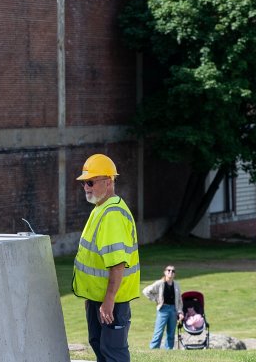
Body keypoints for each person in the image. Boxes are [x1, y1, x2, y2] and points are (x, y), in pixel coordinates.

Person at [72, 153, 141, 362]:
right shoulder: (100, 208)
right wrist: (90, 297)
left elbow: (117, 264)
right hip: (97, 299)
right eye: (85, 182)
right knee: (99, 345)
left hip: (111, 302)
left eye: (91, 182)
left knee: (113, 352)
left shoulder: (112, 215)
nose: (86, 187)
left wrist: (109, 300)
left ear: (108, 182)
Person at [143, 265, 183, 349]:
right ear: (165, 272)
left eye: (173, 271)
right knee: (159, 331)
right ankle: (153, 349)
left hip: (173, 309)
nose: (170, 272)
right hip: (163, 309)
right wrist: (156, 299)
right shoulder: (160, 283)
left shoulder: (176, 285)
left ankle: (169, 350)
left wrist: (180, 312)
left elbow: (179, 300)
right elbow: (146, 291)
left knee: (171, 332)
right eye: (169, 270)